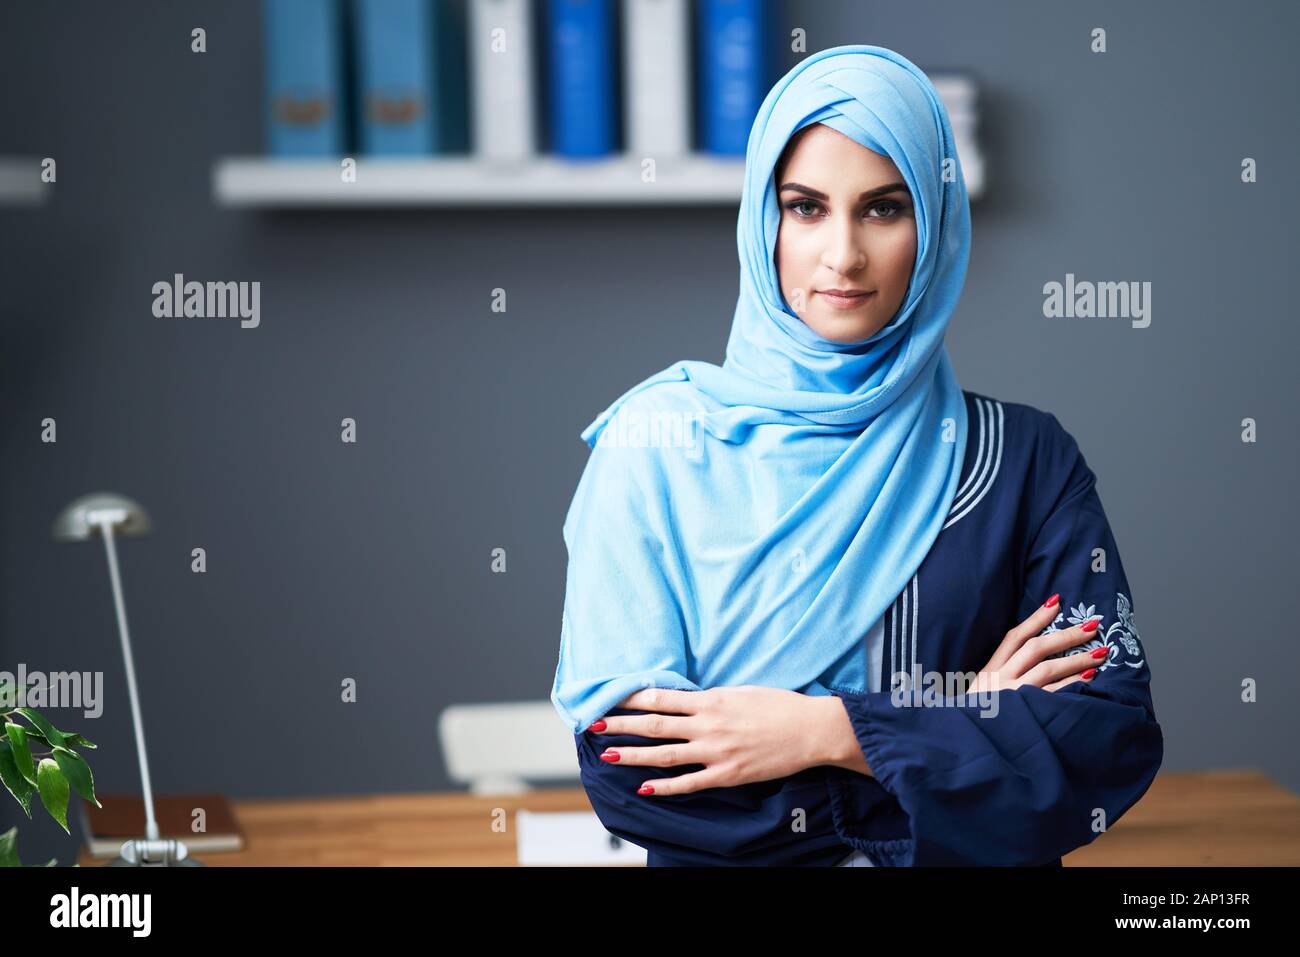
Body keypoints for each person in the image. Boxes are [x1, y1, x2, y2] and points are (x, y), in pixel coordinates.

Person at [549, 44, 1162, 866]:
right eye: (805, 208)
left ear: (936, 225)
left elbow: (1104, 741)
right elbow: (635, 781)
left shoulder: (1024, 461)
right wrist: (957, 734)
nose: (842, 255)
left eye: (883, 208)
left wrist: (827, 731)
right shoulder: (656, 447)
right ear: (763, 223)